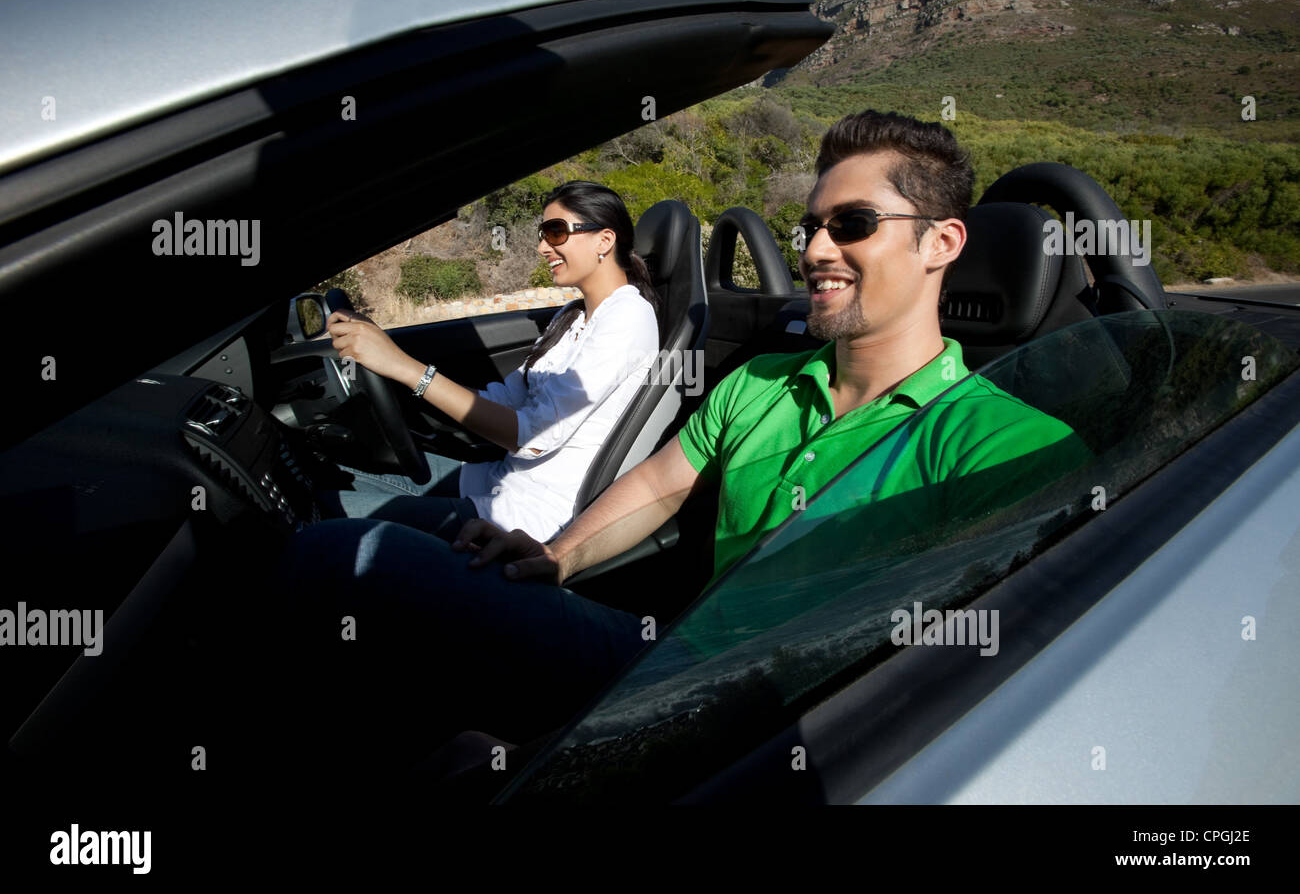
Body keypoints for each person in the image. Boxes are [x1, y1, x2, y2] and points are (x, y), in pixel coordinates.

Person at [269, 110, 1092, 767]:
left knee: (351, 569)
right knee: (357, 561)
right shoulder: (762, 380)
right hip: (664, 657)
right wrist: (558, 555)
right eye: (810, 225)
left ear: (942, 243)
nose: (814, 250)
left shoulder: (1007, 445)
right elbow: (661, 482)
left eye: (853, 224)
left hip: (785, 730)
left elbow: (993, 674)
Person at [316, 180, 660, 543]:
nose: (543, 247)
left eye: (556, 232)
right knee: (329, 478)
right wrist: (399, 369)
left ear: (604, 241)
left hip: (527, 515)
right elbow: (504, 399)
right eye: (542, 233)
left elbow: (532, 437)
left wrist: (404, 367)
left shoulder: (627, 318)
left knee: (323, 524)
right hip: (500, 480)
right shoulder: (572, 317)